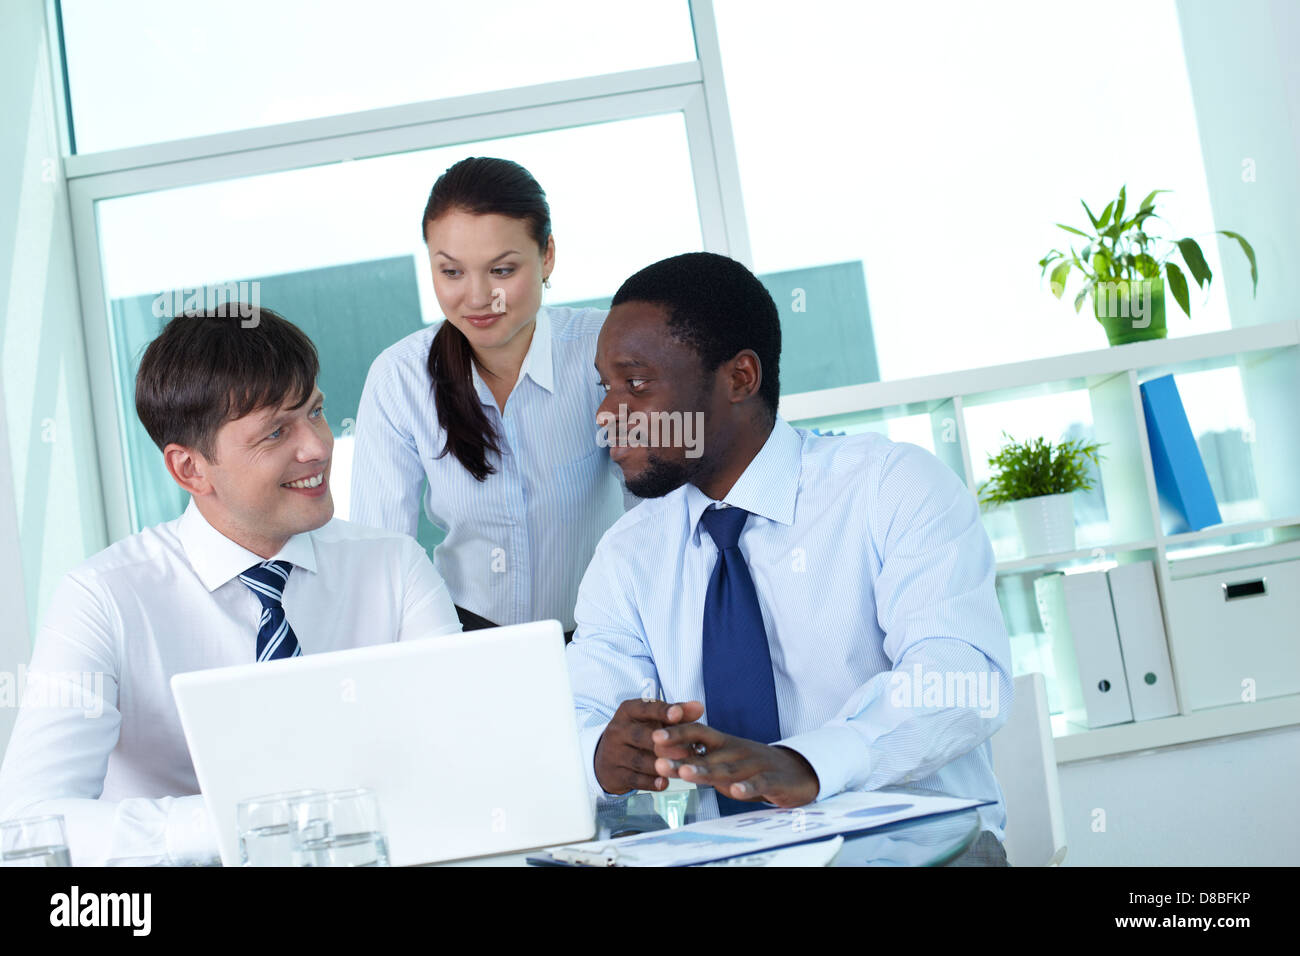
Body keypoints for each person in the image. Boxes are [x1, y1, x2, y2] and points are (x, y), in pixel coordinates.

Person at [566, 252, 1015, 860]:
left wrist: (806, 763)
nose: (607, 414)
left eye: (636, 384)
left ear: (740, 378)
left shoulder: (890, 486)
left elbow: (961, 680)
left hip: (913, 855)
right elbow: (580, 709)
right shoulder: (627, 555)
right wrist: (601, 750)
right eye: (607, 387)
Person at [0, 307, 461, 865]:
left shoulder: (394, 568)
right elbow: (29, 821)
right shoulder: (103, 598)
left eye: (314, 412)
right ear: (190, 470)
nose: (317, 446)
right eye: (275, 431)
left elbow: (457, 751)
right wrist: (249, 822)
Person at [350, 157, 629, 636]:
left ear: (547, 256)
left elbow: (661, 518)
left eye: (501, 270)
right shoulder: (399, 380)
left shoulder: (604, 350)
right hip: (466, 641)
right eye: (451, 272)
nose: (478, 298)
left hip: (605, 637)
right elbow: (382, 559)